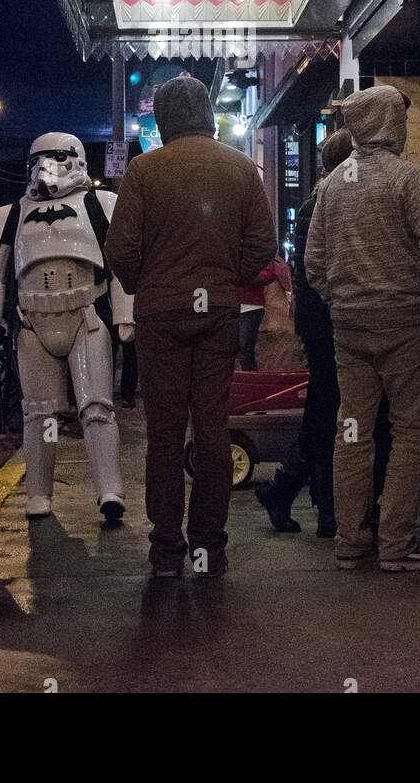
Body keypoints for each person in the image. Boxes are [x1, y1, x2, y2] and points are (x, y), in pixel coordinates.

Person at [104, 76, 276, 578]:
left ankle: (165, 552)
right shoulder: (241, 169)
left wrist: (147, 283)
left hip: (160, 315)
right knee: (212, 430)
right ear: (208, 114)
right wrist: (228, 277)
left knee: (163, 434)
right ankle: (210, 548)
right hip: (218, 313)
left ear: (162, 118)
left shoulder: (144, 171)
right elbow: (262, 243)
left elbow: (121, 250)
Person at [305, 86, 420, 572]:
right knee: (411, 432)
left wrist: (340, 300)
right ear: (390, 122)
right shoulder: (410, 179)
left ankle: (350, 540)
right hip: (406, 325)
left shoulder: (331, 185)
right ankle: (397, 542)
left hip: (349, 330)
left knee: (352, 431)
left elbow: (312, 262)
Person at [0, 133, 131, 523]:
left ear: (76, 159)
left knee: (97, 408)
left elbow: (121, 267)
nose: (46, 166)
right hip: (33, 320)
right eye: (38, 159)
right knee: (39, 412)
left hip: (85, 316)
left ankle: (109, 488)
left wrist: (127, 313)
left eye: (57, 157)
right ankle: (39, 493)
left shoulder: (103, 205)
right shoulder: (7, 216)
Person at [256, 127, 354, 538]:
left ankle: (293, 493)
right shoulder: (329, 200)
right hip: (329, 324)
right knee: (331, 414)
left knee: (326, 413)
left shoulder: (319, 198)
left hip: (321, 323)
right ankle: (320, 506)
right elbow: (321, 269)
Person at [238, 255, 291, 371]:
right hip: (231, 305)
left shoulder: (260, 253)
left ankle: (251, 379)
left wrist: (244, 275)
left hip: (251, 306)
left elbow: (269, 275)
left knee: (246, 346)